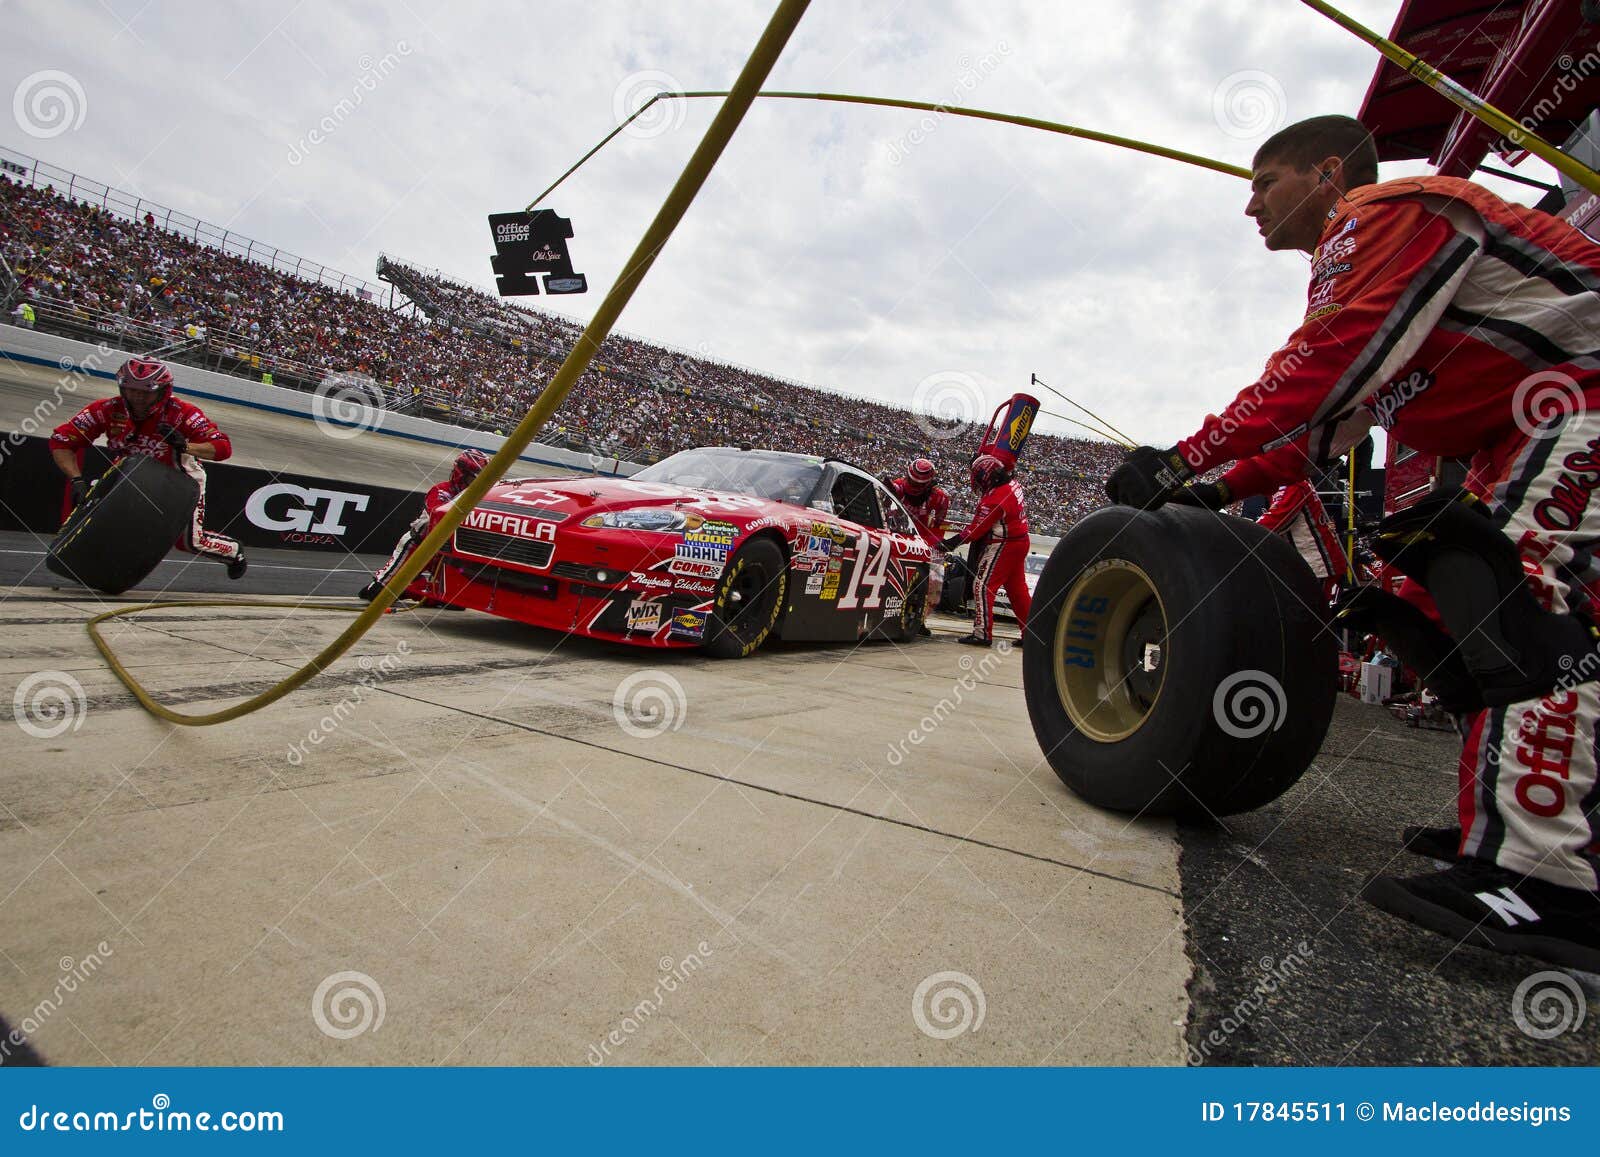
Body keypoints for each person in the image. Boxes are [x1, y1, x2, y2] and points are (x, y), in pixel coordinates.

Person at [1104, 114, 1600, 970]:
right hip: (1525, 426)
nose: (1249, 206)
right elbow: (1321, 429)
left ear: (1327, 174)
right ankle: (1514, 820)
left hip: (1579, 398)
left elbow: (1323, 366)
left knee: (1518, 595)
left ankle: (1545, 881)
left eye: (1263, 183)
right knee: (1432, 614)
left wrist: (1185, 455)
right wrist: (1212, 485)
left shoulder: (1383, 214)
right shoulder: (1367, 261)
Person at [50, 356, 246, 579]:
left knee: (189, 543)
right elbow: (61, 440)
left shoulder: (183, 412)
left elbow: (223, 447)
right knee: (100, 512)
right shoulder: (105, 409)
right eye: (131, 390)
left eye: (146, 392)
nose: (138, 398)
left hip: (181, 481)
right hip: (129, 476)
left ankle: (233, 552)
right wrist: (76, 479)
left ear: (163, 391)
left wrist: (185, 445)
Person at [360, 449, 489, 601]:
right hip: (418, 545)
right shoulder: (441, 491)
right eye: (474, 478)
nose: (478, 483)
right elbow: (437, 517)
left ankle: (414, 590)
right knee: (376, 593)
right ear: (462, 473)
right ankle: (402, 587)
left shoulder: (482, 497)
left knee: (454, 601)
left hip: (446, 553)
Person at [940, 453, 1030, 646]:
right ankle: (1031, 633)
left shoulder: (994, 499)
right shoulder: (1012, 483)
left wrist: (950, 543)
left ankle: (982, 634)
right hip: (1020, 540)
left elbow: (975, 530)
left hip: (1004, 544)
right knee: (1018, 591)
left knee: (981, 586)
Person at [884, 457, 951, 544]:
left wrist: (934, 542)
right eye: (910, 479)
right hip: (894, 534)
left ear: (928, 483)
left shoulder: (939, 498)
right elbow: (884, 507)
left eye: (916, 484)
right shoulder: (898, 486)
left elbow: (939, 525)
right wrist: (888, 494)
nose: (911, 484)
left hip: (919, 541)